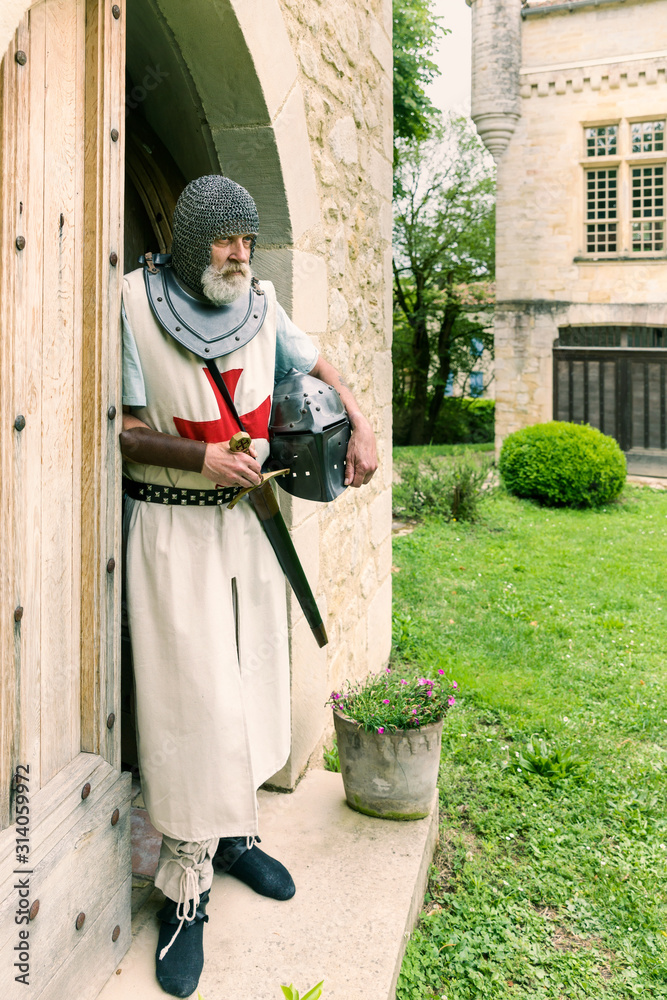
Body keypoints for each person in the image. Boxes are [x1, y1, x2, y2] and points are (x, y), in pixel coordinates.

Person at [120, 174, 377, 997]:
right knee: (192, 705)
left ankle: (232, 838)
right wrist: (200, 456)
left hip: (248, 527)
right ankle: (183, 893)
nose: (238, 254)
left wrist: (359, 417)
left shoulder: (261, 306)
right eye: (225, 239)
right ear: (192, 238)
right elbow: (120, 429)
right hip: (172, 531)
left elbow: (312, 358)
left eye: (247, 240)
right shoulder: (131, 305)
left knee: (252, 681)